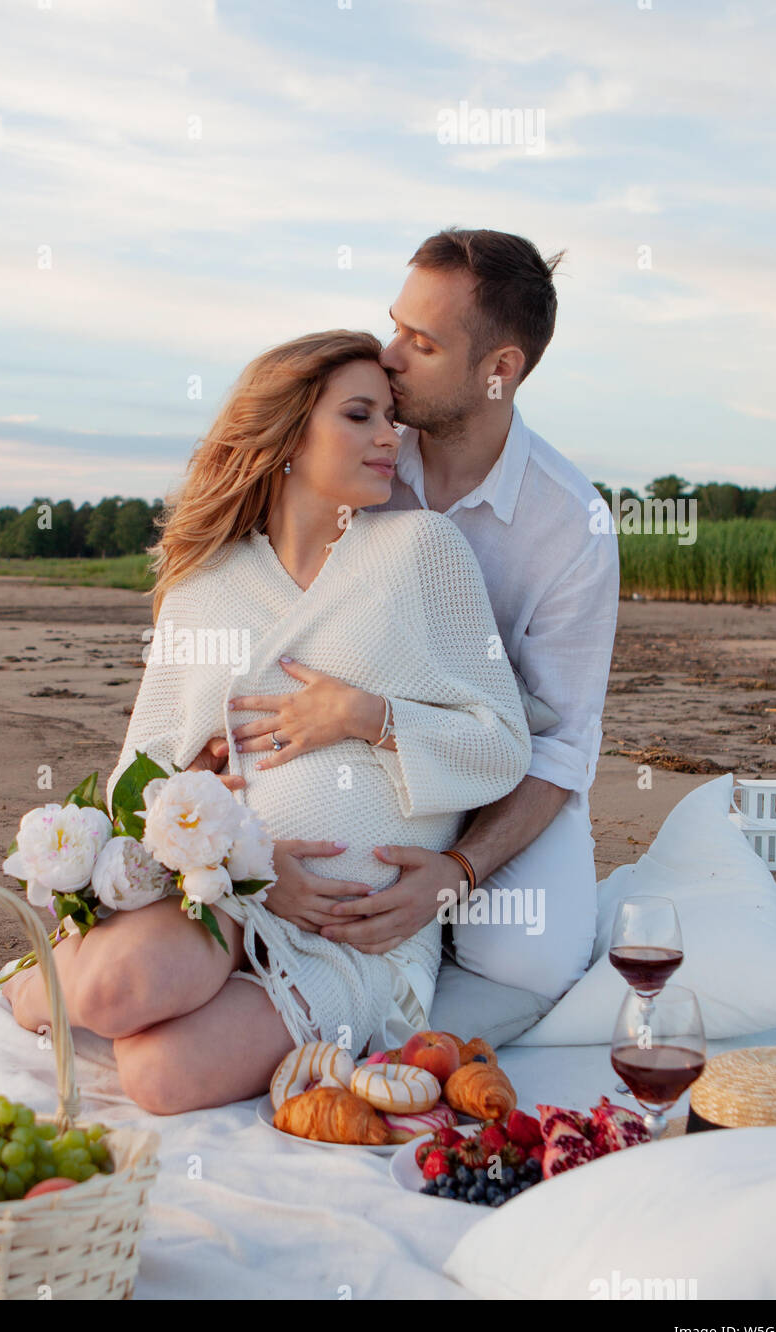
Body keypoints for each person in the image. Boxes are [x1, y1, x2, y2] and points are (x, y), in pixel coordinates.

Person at [4, 329, 531, 1113]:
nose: (391, 436)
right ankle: (65, 976)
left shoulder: (423, 551)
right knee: (115, 990)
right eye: (360, 416)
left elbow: (503, 745)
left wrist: (367, 716)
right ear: (287, 435)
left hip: (355, 928)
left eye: (391, 415)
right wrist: (243, 855)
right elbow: (134, 776)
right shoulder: (204, 586)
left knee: (158, 1077)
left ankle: (70, 978)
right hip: (232, 888)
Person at [209, 229, 619, 1003]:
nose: (389, 355)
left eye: (421, 343)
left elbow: (563, 741)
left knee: (530, 960)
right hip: (351, 751)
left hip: (503, 772)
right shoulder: (358, 452)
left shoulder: (571, 527)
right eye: (395, 324)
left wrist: (457, 873)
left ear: (500, 371)